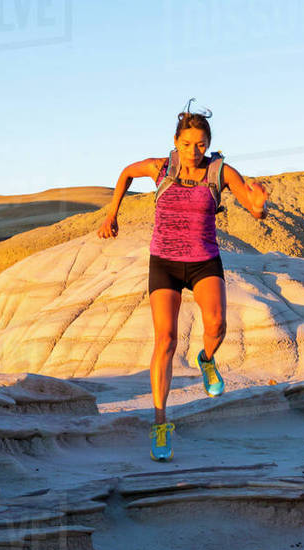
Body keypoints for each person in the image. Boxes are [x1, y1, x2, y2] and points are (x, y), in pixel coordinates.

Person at [97, 101, 268, 461]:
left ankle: (207, 359)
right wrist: (113, 213)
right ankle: (161, 423)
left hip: (204, 260)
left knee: (217, 325)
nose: (194, 151)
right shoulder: (161, 168)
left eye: (201, 144)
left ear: (208, 144)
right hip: (164, 262)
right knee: (165, 340)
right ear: (176, 142)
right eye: (187, 144)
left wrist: (261, 204)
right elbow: (126, 172)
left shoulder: (220, 171)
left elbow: (253, 208)